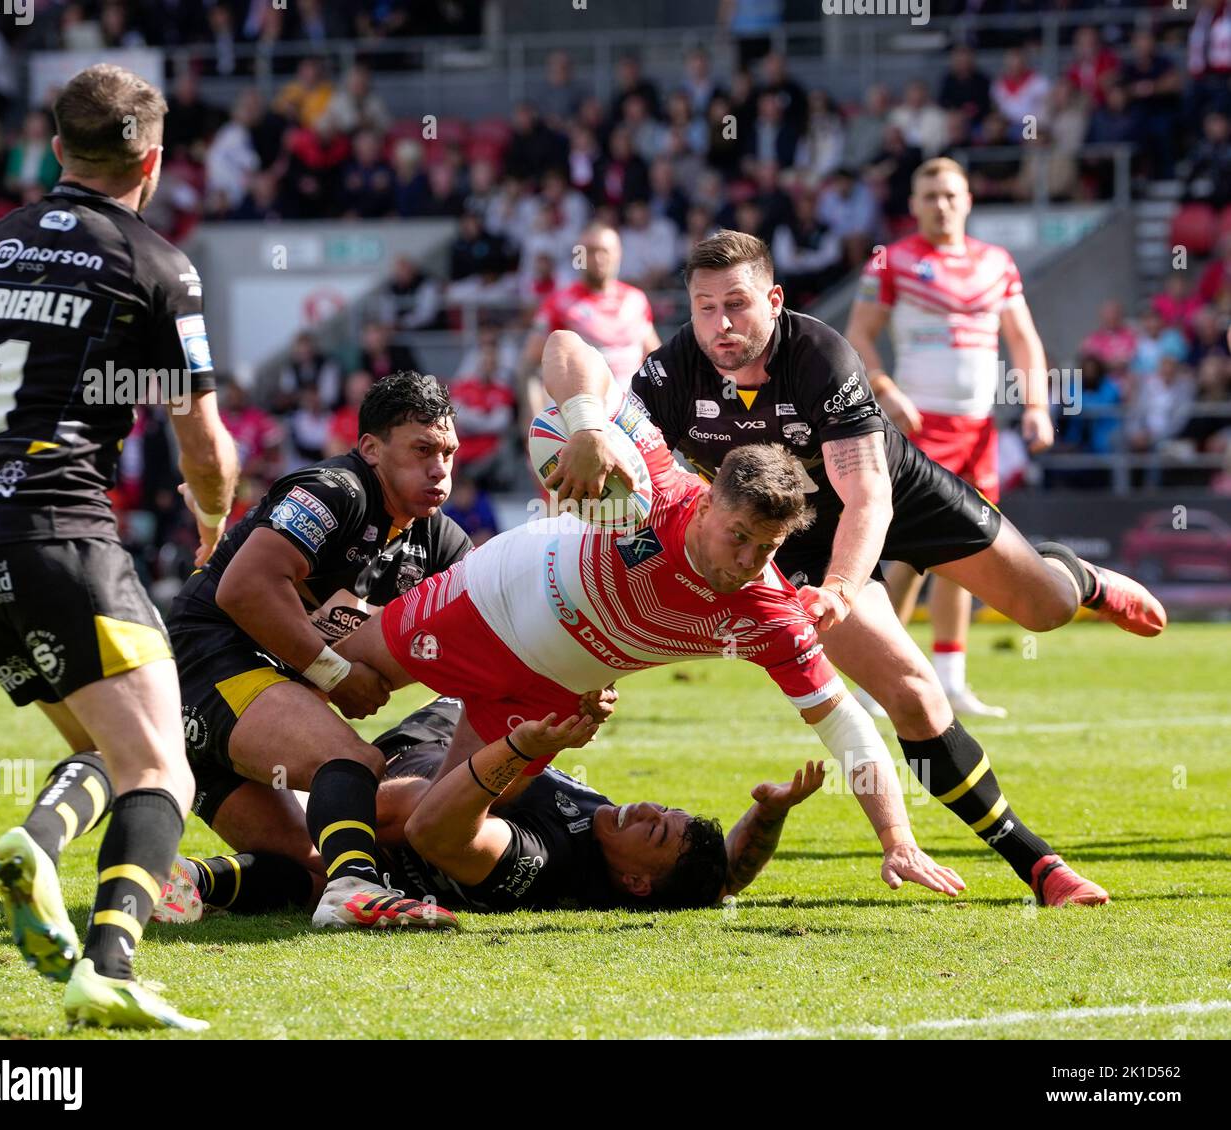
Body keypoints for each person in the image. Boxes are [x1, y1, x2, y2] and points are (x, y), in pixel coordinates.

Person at [546, 231, 1169, 908]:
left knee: (1045, 608)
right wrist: (591, 430)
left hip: (894, 495)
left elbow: (867, 496)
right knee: (911, 691)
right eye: (703, 308)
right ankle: (1040, 865)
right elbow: (576, 365)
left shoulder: (819, 356)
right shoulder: (671, 375)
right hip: (792, 545)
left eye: (737, 304)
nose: (721, 325)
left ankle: (1083, 579)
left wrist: (845, 586)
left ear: (774, 300)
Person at [328, 333, 967, 901]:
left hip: (550, 696)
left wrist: (896, 836)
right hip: (488, 605)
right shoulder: (653, 479)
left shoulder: (769, 611)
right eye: (737, 536)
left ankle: (315, 866)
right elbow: (566, 346)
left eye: (766, 549)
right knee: (336, 674)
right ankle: (245, 705)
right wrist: (587, 428)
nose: (745, 562)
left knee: (426, 821)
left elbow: (846, 725)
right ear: (709, 500)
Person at [0, 64, 239, 1029]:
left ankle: (37, 845)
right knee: (164, 767)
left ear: (55, 147)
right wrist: (214, 516)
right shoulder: (159, 267)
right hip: (58, 526)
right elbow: (203, 442)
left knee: (109, 745)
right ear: (152, 159)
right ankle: (107, 967)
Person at [166, 372, 477, 931]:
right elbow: (245, 589)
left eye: (449, 453)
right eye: (422, 450)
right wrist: (334, 675)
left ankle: (182, 878)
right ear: (371, 449)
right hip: (208, 668)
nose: (439, 468)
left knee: (309, 868)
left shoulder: (437, 539)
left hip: (255, 705)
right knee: (355, 762)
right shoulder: (336, 490)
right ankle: (355, 894)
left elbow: (482, 624)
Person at [156, 697, 826, 919]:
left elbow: (434, 827)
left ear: (634, 882)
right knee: (326, 857)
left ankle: (196, 873)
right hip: (458, 720)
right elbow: (723, 877)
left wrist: (518, 749)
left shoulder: (542, 863)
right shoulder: (648, 859)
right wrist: (769, 814)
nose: (647, 808)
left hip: (416, 776)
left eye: (654, 831)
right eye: (665, 810)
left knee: (317, 867)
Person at [846, 157, 1055, 717]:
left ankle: (951, 679)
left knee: (967, 550)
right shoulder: (895, 258)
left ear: (968, 200)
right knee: (911, 556)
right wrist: (885, 389)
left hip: (979, 430)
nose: (941, 204)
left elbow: (1024, 340)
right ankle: (875, 676)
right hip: (919, 430)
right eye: (929, 194)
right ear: (913, 204)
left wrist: (1035, 404)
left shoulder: (997, 263)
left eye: (950, 194)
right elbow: (858, 334)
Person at [518, 222, 659, 437]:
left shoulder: (636, 300)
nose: (598, 258)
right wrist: (534, 420)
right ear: (580, 256)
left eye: (604, 251)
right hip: (582, 424)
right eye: (590, 251)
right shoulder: (560, 304)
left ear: (618, 254)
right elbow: (528, 366)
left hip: (631, 421)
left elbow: (655, 359)